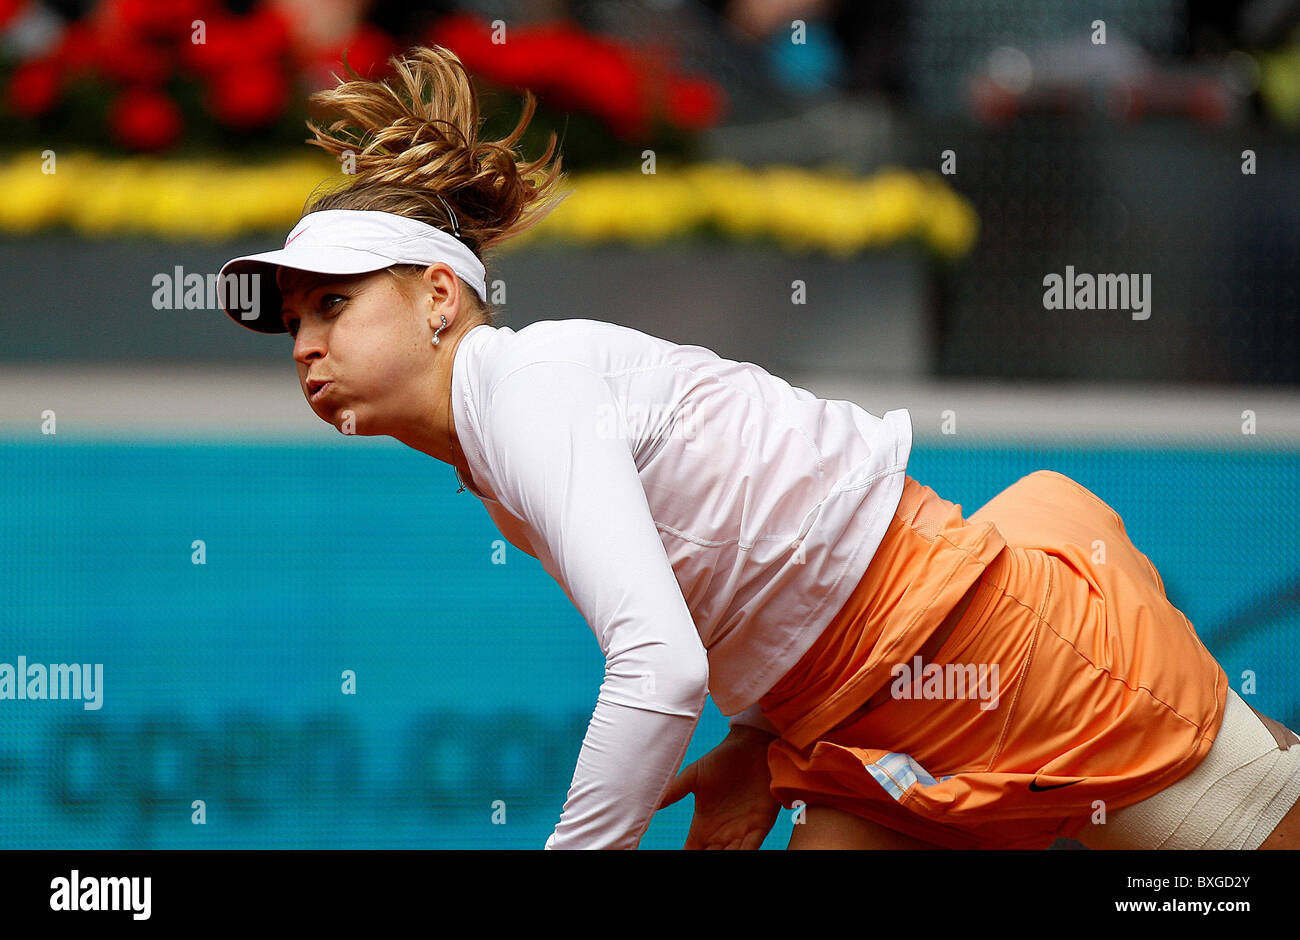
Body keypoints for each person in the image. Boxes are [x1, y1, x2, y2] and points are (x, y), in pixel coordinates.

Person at [217, 45, 1300, 850]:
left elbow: (660, 669)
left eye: (333, 305)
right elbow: (754, 563)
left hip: (1001, 659)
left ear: (439, 297)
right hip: (857, 726)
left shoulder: (528, 390)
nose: (304, 344)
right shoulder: (499, 433)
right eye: (293, 322)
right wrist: (756, 740)